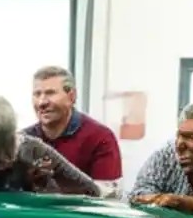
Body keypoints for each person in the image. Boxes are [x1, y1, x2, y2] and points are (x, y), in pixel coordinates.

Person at [24, 65, 123, 198]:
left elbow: (108, 197)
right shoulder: (23, 140)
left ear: (72, 96)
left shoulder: (100, 138)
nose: (42, 102)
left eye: (50, 93)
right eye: (37, 94)